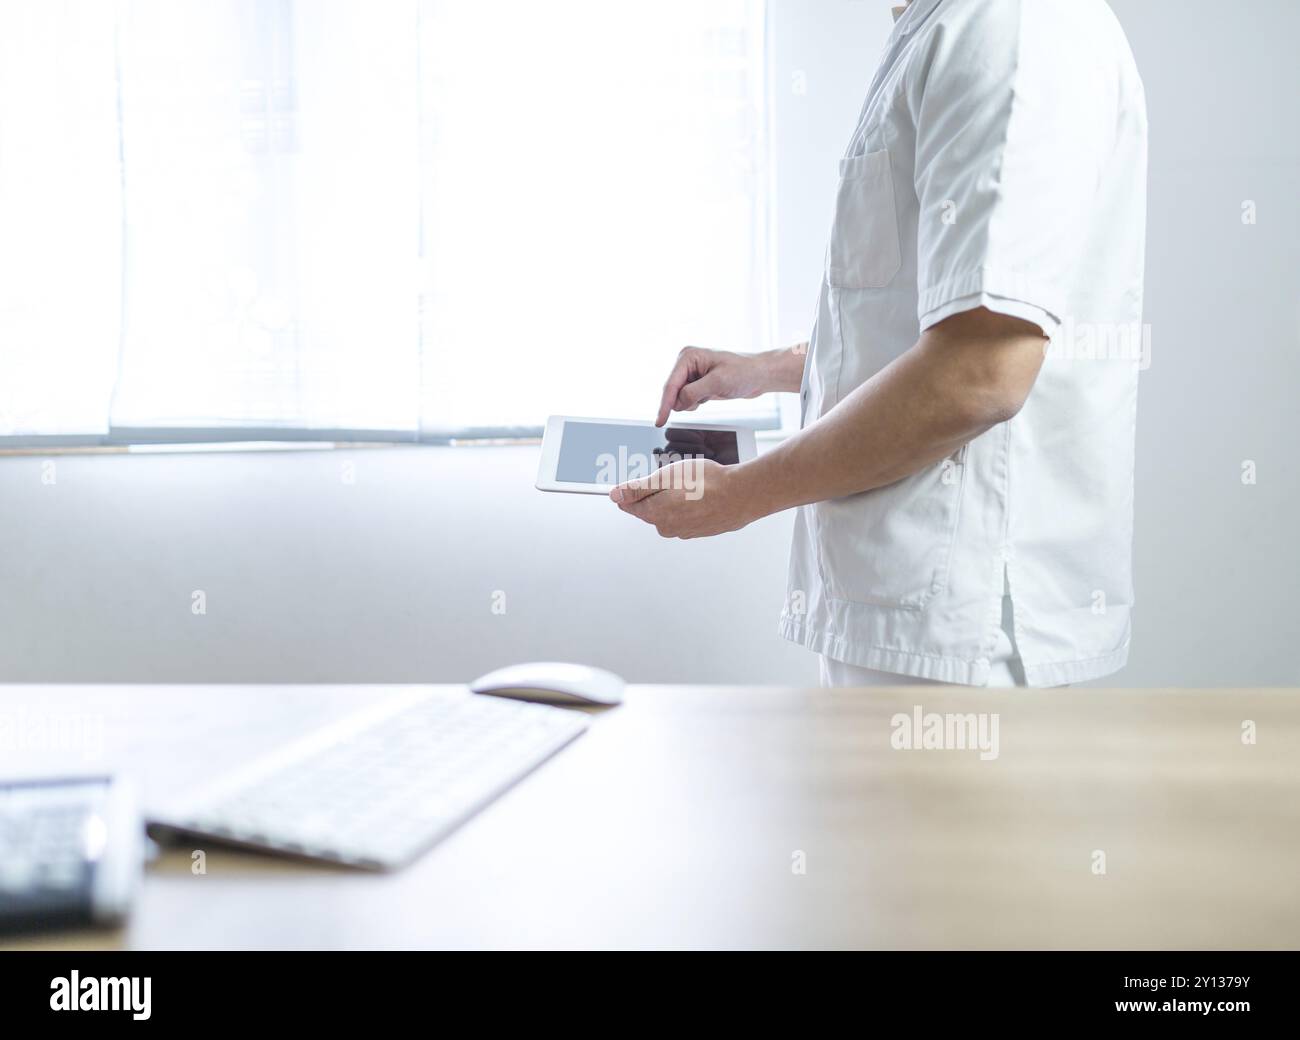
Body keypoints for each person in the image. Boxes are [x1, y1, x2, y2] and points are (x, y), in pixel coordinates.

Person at [610, 0, 1148, 688]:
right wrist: (764, 372)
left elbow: (980, 372)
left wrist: (738, 495)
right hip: (916, 615)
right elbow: (929, 324)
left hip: (964, 630)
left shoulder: (1006, 25)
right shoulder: (941, 29)